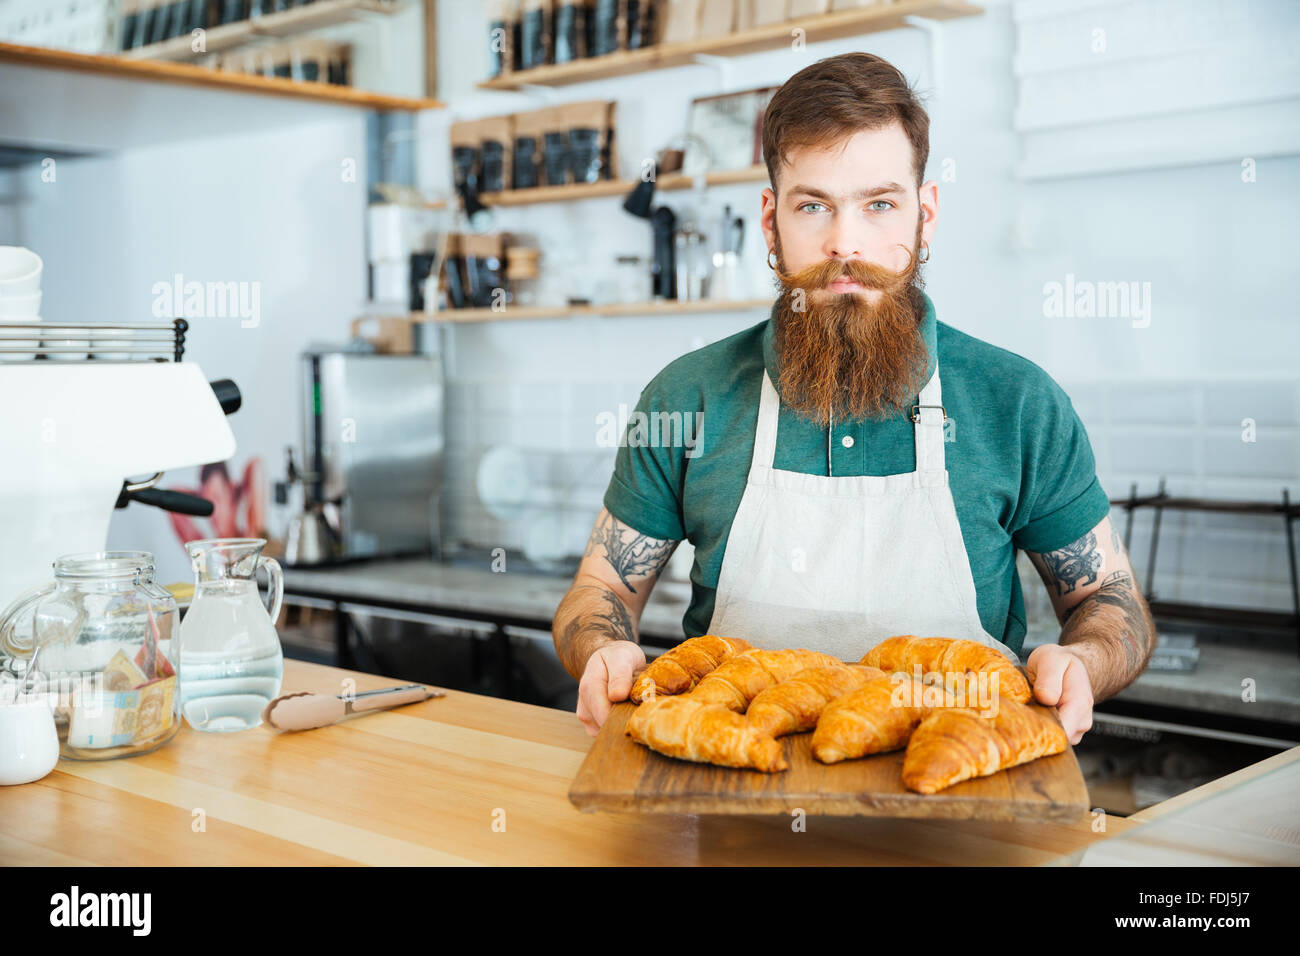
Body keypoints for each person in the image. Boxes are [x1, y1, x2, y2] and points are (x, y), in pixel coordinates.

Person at [552, 52, 1155, 745]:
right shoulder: (685, 397)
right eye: (814, 206)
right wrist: (603, 649)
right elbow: (600, 592)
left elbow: (1110, 601)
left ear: (924, 214)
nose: (846, 242)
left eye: (879, 204)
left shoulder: (1019, 403)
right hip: (727, 801)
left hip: (965, 806)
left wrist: (1083, 660)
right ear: (771, 219)